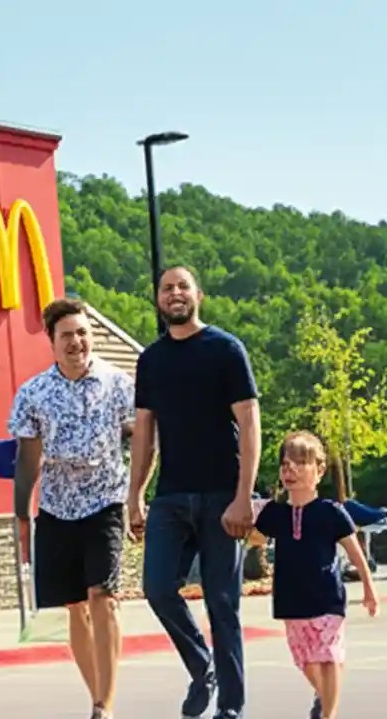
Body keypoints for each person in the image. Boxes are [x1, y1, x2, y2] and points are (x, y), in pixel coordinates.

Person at [127, 266, 260, 719]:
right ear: (159, 300)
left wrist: (244, 496)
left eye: (183, 286)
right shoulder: (151, 360)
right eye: (167, 288)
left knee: (223, 603)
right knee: (158, 588)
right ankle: (203, 666)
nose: (175, 293)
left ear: (198, 295)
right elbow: (144, 433)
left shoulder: (225, 349)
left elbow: (249, 424)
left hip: (222, 493)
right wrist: (135, 495)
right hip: (171, 496)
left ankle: (232, 706)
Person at [9, 297, 136, 719]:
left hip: (105, 502)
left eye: (82, 333)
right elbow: (27, 458)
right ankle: (98, 695)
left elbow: (143, 437)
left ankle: (106, 704)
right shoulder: (34, 392)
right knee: (75, 608)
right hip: (57, 508)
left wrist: (137, 493)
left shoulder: (119, 384)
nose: (76, 342)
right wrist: (22, 514)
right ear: (52, 342)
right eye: (67, 335)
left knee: (104, 597)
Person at [248, 431, 379, 719]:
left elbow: (356, 553)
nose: (290, 469)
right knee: (304, 659)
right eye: (285, 464)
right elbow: (251, 536)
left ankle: (328, 714)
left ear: (318, 470)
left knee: (329, 656)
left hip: (326, 598)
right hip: (291, 600)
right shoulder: (274, 513)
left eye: (299, 463)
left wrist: (369, 589)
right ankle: (323, 695)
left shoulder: (331, 512)